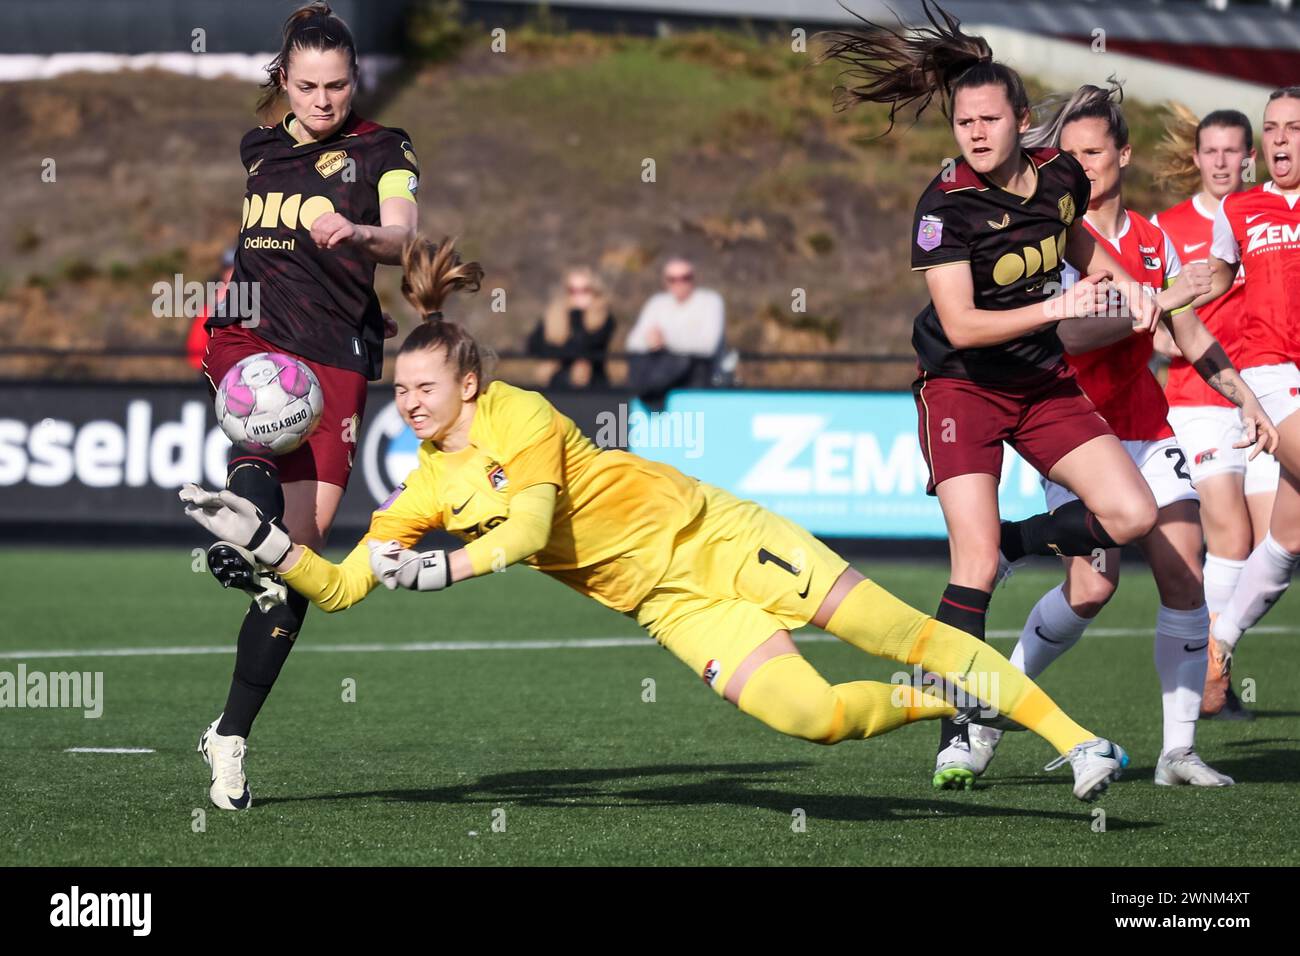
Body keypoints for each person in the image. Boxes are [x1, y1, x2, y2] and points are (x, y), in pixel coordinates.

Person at [180, 236, 1134, 809]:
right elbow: (342, 587)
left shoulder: (519, 412)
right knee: (816, 720)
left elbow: (524, 530)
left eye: (424, 388)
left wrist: (438, 572)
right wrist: (266, 543)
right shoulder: (424, 483)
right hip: (674, 608)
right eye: (402, 392)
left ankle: (1077, 741)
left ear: (467, 381)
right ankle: (949, 699)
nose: (412, 405)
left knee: (896, 631)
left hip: (718, 537)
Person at [816, 1, 1176, 789]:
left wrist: (1131, 287)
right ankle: (959, 731)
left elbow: (1076, 238)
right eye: (962, 122)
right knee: (969, 562)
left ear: (1021, 122)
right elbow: (963, 323)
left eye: (988, 119)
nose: (974, 133)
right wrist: (1065, 305)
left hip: (1041, 382)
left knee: (1134, 516)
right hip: (962, 385)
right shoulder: (943, 208)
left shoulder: (1062, 176)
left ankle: (1020, 541)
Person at [967, 84, 1276, 787]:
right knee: (1093, 586)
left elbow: (1186, 334)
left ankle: (1178, 753)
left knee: (1183, 570)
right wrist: (1159, 298)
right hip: (1070, 424)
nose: (1081, 165)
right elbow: (1073, 331)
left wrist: (1247, 400)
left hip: (1145, 419)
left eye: (1094, 152)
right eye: (1068, 153)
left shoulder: (1150, 237)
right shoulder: (1046, 239)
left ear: (1122, 154)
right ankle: (990, 709)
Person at [195, 1, 418, 810]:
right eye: (308, 86)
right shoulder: (258, 148)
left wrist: (360, 240)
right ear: (284, 82)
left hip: (340, 358)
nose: (323, 101)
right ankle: (242, 530)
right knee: (256, 419)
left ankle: (231, 734)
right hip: (250, 337)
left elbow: (403, 235)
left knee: (300, 563)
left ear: (355, 80)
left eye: (337, 85)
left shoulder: (383, 148)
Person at [1151, 106, 1278, 718]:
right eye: (1212, 151)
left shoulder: (1262, 218)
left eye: (1234, 151)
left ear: (1248, 158)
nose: (1223, 161)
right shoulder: (1167, 227)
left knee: (1275, 538)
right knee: (1229, 532)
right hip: (1200, 397)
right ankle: (1206, 674)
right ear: (1196, 158)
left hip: (1262, 391)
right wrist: (1167, 337)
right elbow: (1152, 326)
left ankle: (1218, 661)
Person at [1199, 87, 1300, 679]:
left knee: (1287, 541)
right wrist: (1156, 301)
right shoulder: (1239, 209)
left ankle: (1222, 640)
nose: (1281, 138)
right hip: (1268, 372)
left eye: (1293, 127)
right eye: (1273, 127)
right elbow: (1213, 279)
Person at [625, 257, 726, 402]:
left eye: (685, 278)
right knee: (639, 360)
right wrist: (651, 341)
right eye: (672, 279)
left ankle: (649, 395)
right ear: (665, 281)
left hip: (701, 377)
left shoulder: (710, 301)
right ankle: (647, 395)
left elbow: (707, 346)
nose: (679, 283)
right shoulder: (657, 302)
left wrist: (666, 341)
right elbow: (633, 342)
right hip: (663, 376)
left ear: (694, 278)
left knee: (684, 361)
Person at [525, 267, 615, 389]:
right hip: (555, 384)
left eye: (585, 290)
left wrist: (577, 313)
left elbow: (586, 346)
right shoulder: (554, 314)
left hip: (593, 385)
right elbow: (533, 345)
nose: (578, 295)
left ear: (595, 290)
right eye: (572, 290)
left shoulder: (603, 316)